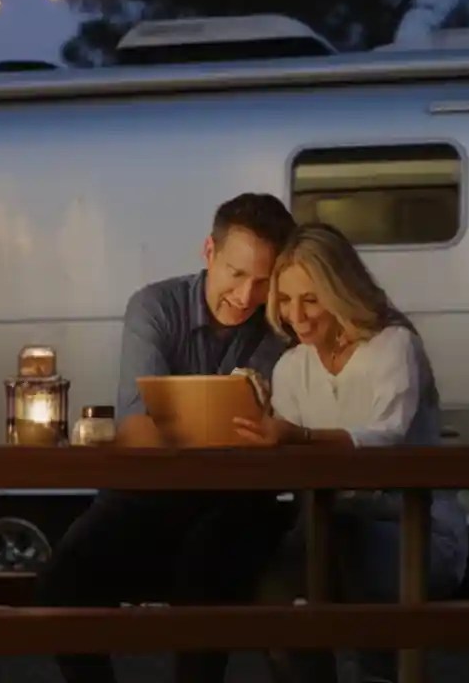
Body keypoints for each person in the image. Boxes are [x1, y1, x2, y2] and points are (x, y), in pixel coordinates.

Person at [34, 192, 299, 683]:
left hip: (236, 497)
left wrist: (180, 423)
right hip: (151, 492)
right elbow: (137, 428)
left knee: (211, 563)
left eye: (263, 282)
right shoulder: (155, 306)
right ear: (208, 253)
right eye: (237, 274)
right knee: (61, 580)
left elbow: (259, 430)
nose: (246, 296)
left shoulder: (282, 325)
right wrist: (224, 421)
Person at [233, 222, 469, 683]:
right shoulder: (291, 367)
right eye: (285, 300)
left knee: (337, 549)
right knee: (278, 602)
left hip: (413, 532)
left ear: (341, 292)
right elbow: (285, 461)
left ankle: (378, 671)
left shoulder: (393, 346)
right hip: (326, 532)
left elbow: (385, 437)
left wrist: (296, 437)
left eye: (311, 298)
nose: (296, 315)